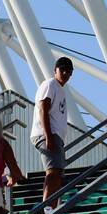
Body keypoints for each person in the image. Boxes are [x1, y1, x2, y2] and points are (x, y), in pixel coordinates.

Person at [32, 57, 74, 203]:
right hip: (48, 134)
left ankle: (49, 208)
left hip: (55, 136)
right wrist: (48, 137)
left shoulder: (60, 90)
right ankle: (47, 209)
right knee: (54, 172)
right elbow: (43, 109)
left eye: (68, 71)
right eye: (61, 69)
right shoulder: (50, 84)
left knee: (56, 173)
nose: (64, 73)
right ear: (54, 70)